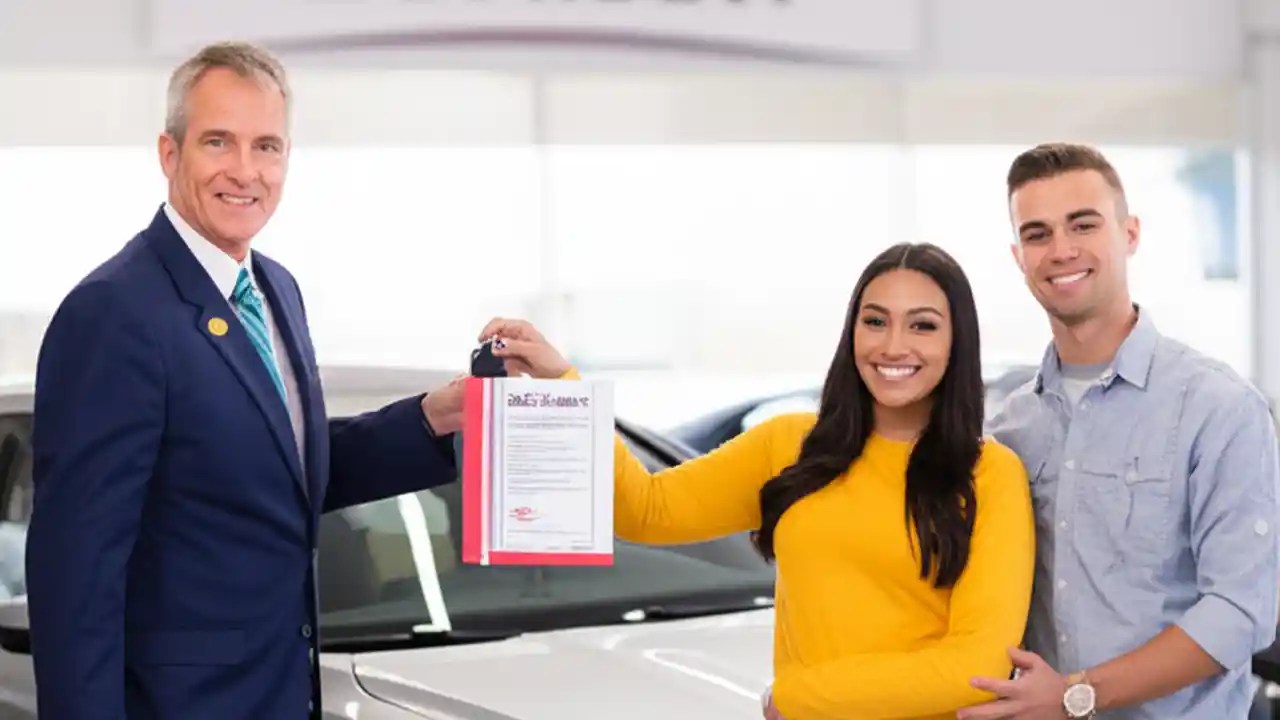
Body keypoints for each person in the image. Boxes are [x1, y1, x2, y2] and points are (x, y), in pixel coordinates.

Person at [27, 42, 466, 719]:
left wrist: (431, 419)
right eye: (218, 142)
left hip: (280, 694)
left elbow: (280, 473)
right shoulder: (114, 312)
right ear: (169, 155)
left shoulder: (274, 289)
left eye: (267, 146)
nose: (245, 171)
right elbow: (75, 573)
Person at [479, 242, 1037, 719]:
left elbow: (978, 665)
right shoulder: (789, 446)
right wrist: (566, 387)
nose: (893, 345)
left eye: (922, 325)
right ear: (852, 333)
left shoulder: (990, 474)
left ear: (956, 342)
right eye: (875, 321)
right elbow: (644, 510)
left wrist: (800, 696)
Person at [960, 143, 1280, 719]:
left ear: (1129, 234)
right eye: (1037, 234)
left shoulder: (1221, 409)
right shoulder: (1008, 431)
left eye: (1083, 224)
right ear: (1017, 256)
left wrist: (1074, 696)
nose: (1061, 250)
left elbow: (1239, 612)